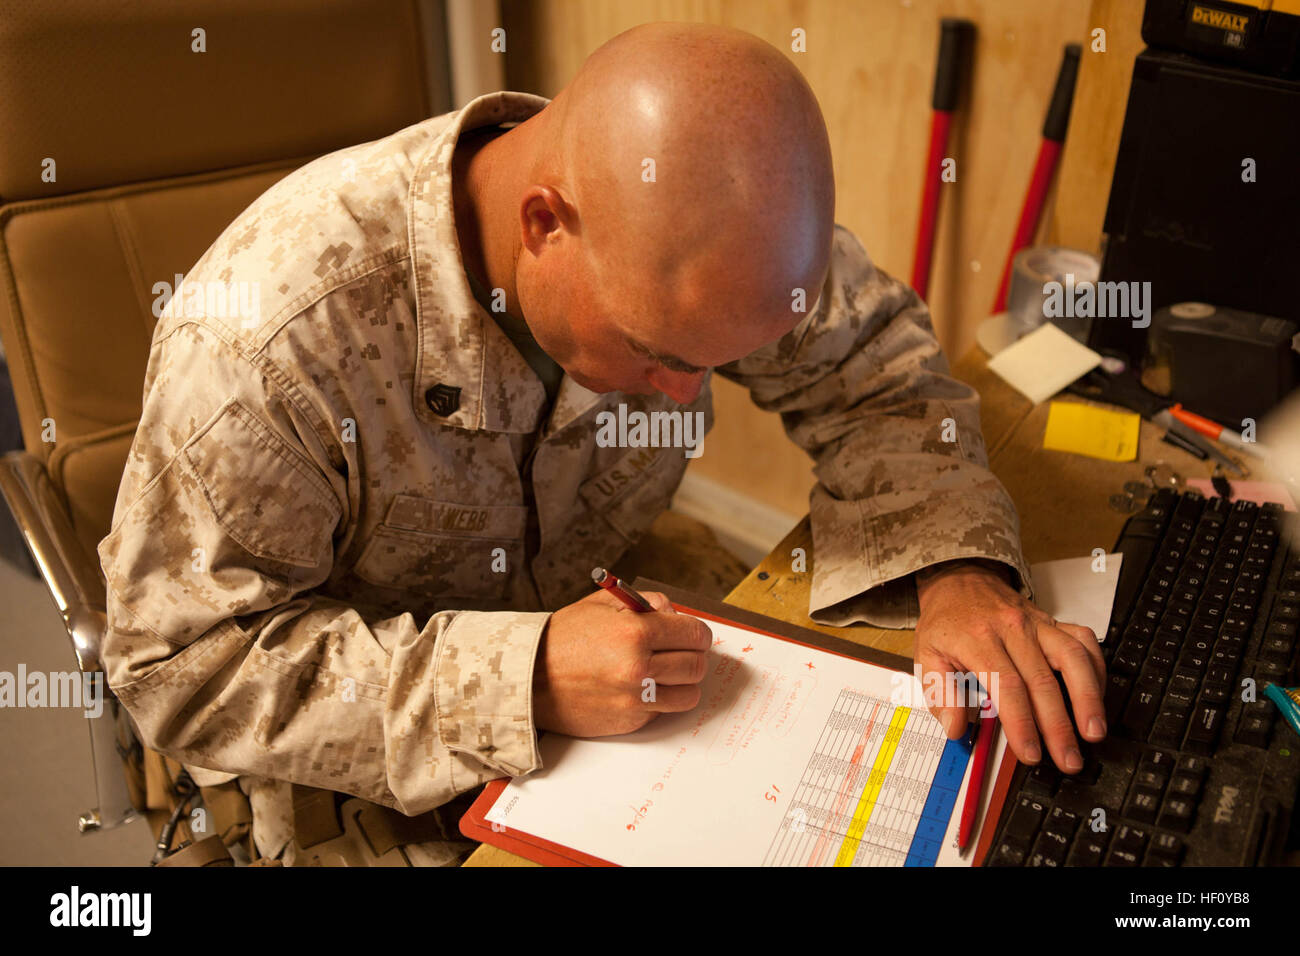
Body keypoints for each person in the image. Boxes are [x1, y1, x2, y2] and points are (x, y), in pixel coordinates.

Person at [98, 21, 1105, 863]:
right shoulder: (268, 342)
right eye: (658, 352)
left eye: (716, 359)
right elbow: (180, 665)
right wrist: (521, 676)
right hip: (361, 765)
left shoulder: (706, 218)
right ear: (545, 223)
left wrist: (956, 566)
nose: (688, 392)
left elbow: (877, 371)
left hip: (626, 653)